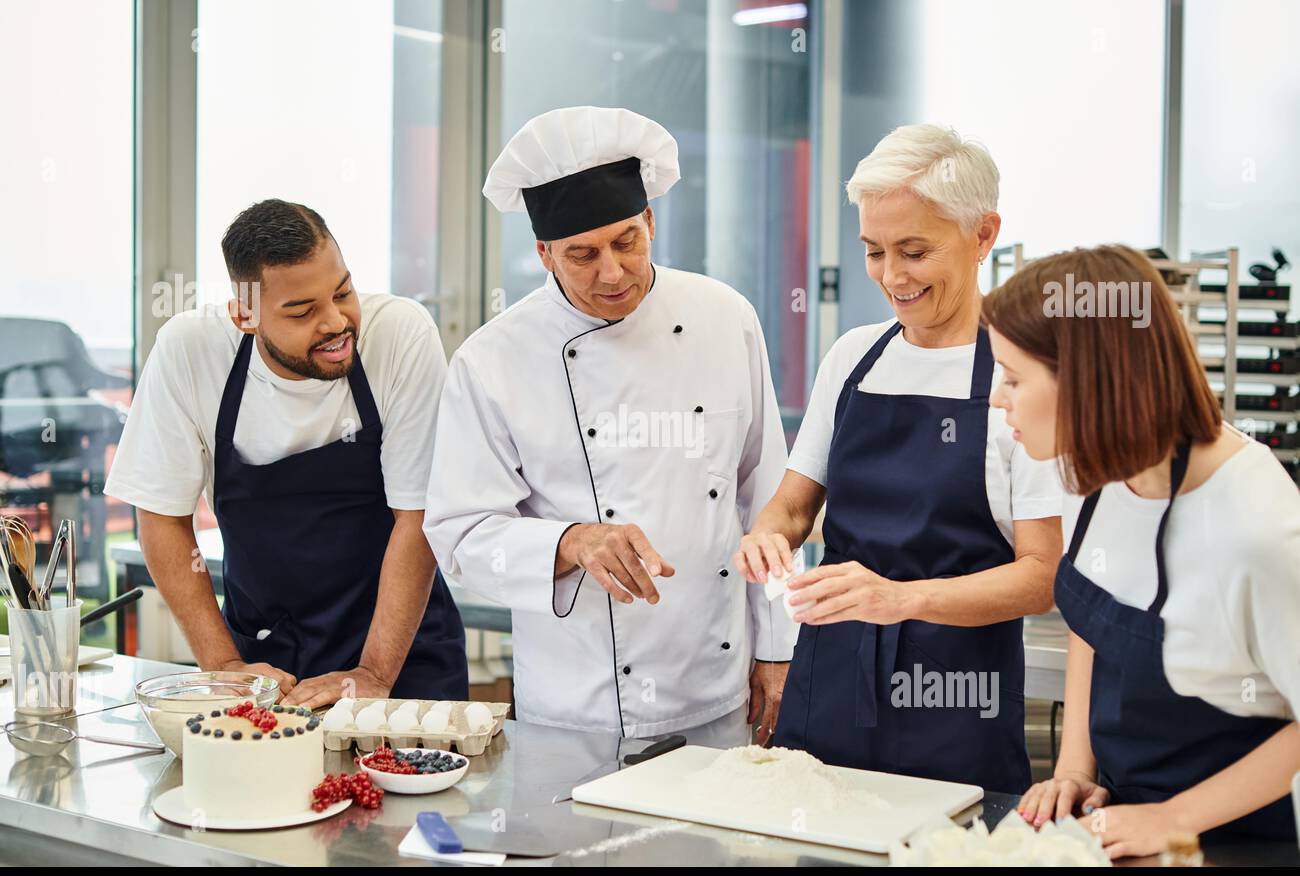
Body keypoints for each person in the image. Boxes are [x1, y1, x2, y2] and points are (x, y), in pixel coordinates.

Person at [424, 107, 795, 745]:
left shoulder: (724, 317)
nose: (612, 272)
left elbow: (765, 497)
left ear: (650, 220)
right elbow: (459, 534)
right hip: (578, 701)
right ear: (543, 254)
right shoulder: (493, 360)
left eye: (627, 240)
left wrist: (779, 644)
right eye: (582, 254)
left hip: (717, 681)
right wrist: (570, 542)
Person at [736, 125, 1062, 793]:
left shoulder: (1021, 375)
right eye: (874, 251)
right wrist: (769, 537)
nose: (891, 276)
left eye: (915, 251)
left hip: (955, 700)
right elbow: (796, 504)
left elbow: (1043, 575)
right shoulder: (854, 356)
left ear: (983, 234)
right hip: (827, 684)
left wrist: (897, 599)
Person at [988, 244, 1300, 857]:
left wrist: (1173, 818)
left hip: (1232, 846)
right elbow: (1094, 617)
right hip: (1128, 824)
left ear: (1087, 383)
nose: (999, 399)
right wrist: (1075, 768)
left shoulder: (1258, 528)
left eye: (1015, 378)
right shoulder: (1092, 471)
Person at [106, 199, 467, 707]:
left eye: (342, 292)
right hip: (265, 661)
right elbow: (162, 518)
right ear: (245, 316)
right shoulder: (190, 350)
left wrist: (374, 674)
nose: (336, 322)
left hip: (403, 658)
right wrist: (224, 665)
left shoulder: (400, 335)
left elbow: (417, 518)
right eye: (301, 311)